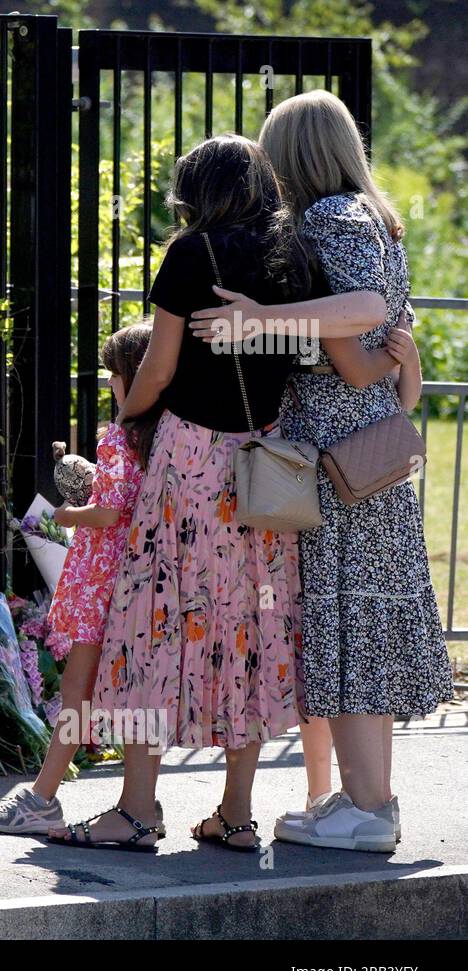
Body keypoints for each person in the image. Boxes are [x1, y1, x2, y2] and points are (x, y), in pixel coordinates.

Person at [49, 135, 312, 853]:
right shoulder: (293, 256)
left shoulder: (193, 255)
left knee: (155, 622)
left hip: (190, 467)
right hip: (263, 468)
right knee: (247, 633)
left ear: (196, 194)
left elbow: (158, 370)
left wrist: (125, 417)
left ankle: (136, 810)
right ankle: (235, 812)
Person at [255, 90, 452, 850]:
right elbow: (392, 340)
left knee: (347, 621)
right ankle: (369, 800)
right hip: (373, 453)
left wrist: (270, 321)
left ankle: (367, 810)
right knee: (359, 619)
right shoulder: (377, 220)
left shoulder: (327, 222)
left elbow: (356, 328)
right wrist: (387, 363)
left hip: (338, 461)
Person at [0, 322, 156, 835]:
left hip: (101, 581)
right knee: (134, 692)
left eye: (113, 374)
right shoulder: (163, 434)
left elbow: (108, 512)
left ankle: (42, 798)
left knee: (77, 689)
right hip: (137, 580)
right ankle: (142, 804)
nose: (109, 385)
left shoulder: (121, 435)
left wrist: (68, 516)